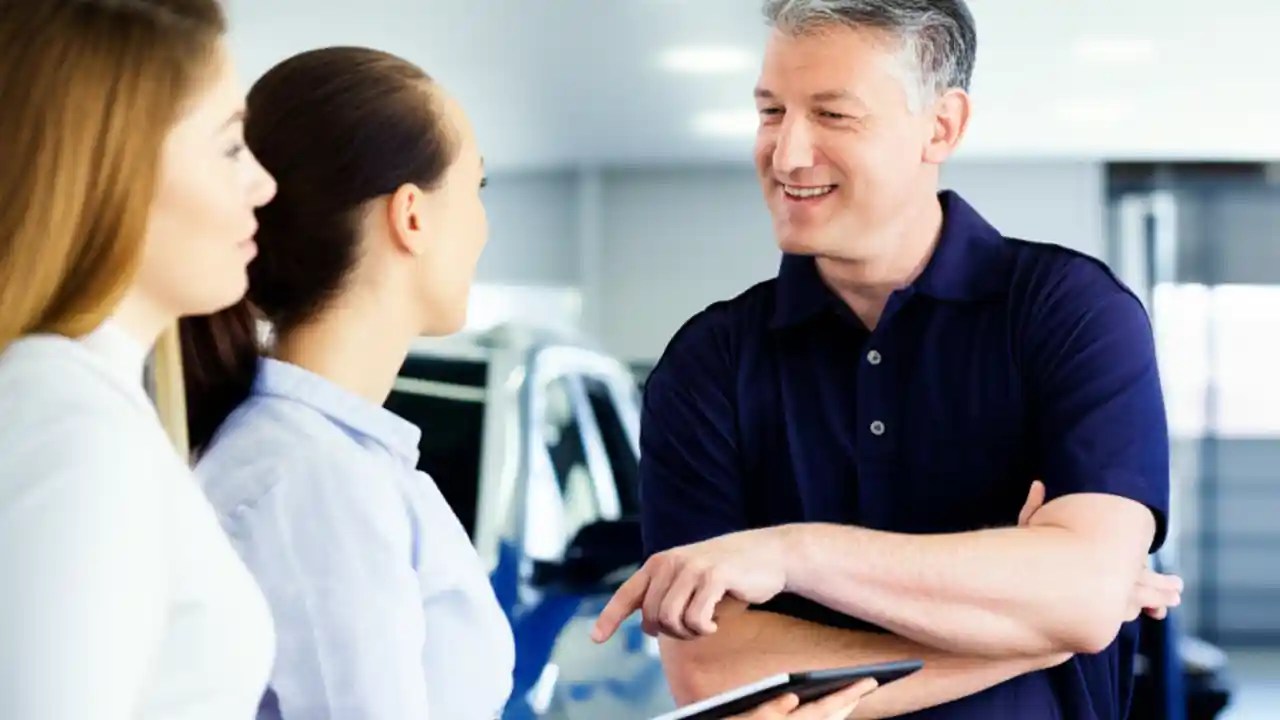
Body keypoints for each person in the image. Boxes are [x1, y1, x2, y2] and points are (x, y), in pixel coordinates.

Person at [592, 1, 1184, 719]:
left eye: (833, 116)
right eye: (772, 111)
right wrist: (1032, 634)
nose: (787, 153)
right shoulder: (707, 364)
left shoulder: (1070, 313)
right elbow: (713, 671)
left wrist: (791, 555)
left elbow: (1083, 592)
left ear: (941, 126)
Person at [0, 1, 279, 718]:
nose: (264, 184)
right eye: (229, 148)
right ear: (107, 168)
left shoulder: (88, 404)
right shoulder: (67, 422)